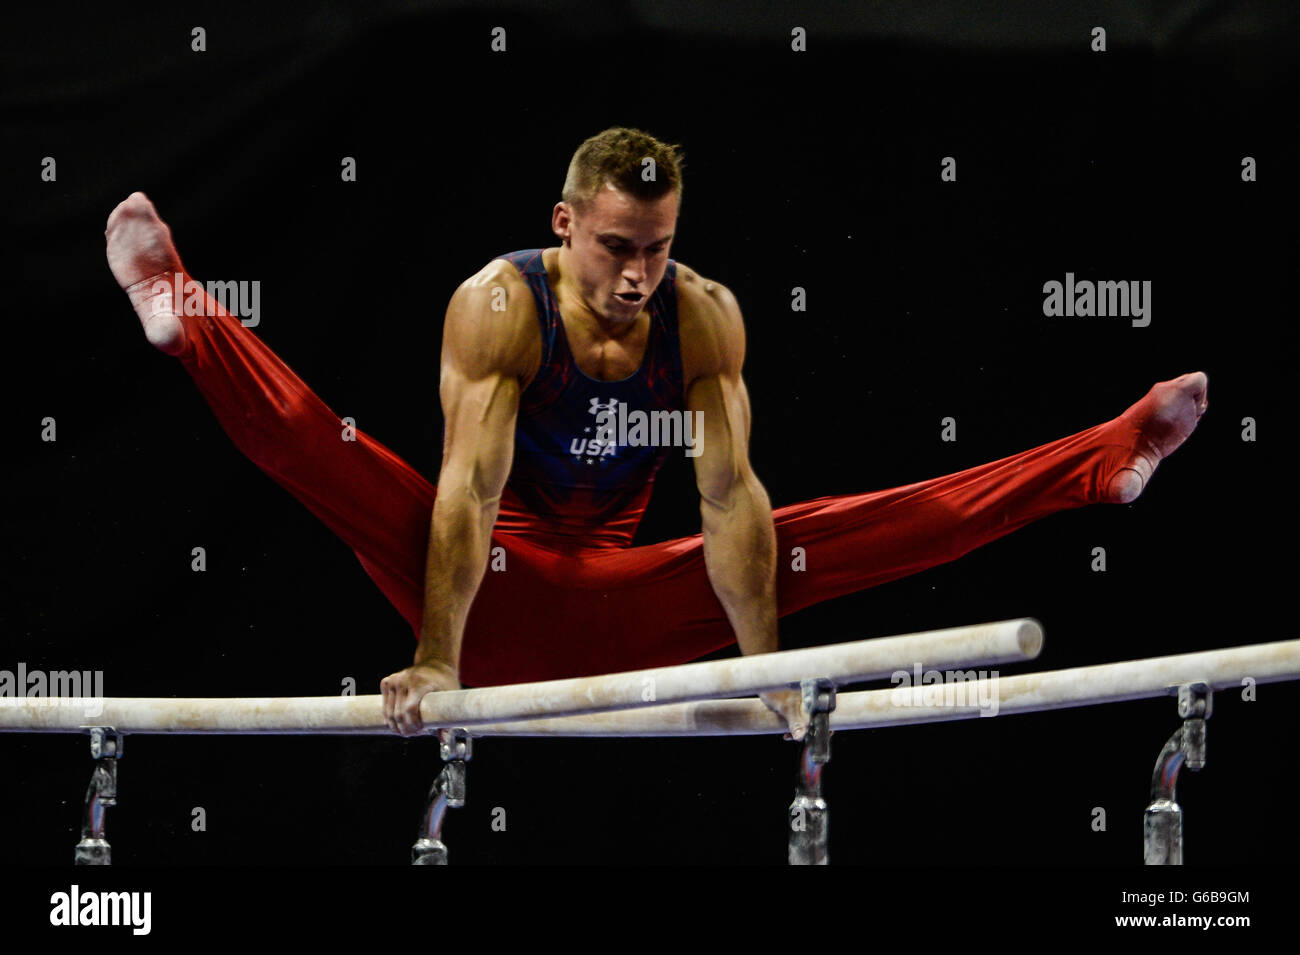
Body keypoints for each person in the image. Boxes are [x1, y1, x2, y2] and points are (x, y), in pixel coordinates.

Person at [104, 127, 1208, 741]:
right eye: (618, 246)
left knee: (833, 530)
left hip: (629, 604)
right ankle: (186, 312)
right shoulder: (498, 306)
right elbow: (469, 494)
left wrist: (777, 670)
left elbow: (728, 505)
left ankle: (1097, 459)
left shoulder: (703, 316)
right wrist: (438, 654)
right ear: (564, 223)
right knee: (328, 455)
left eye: (659, 247)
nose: (638, 274)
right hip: (476, 575)